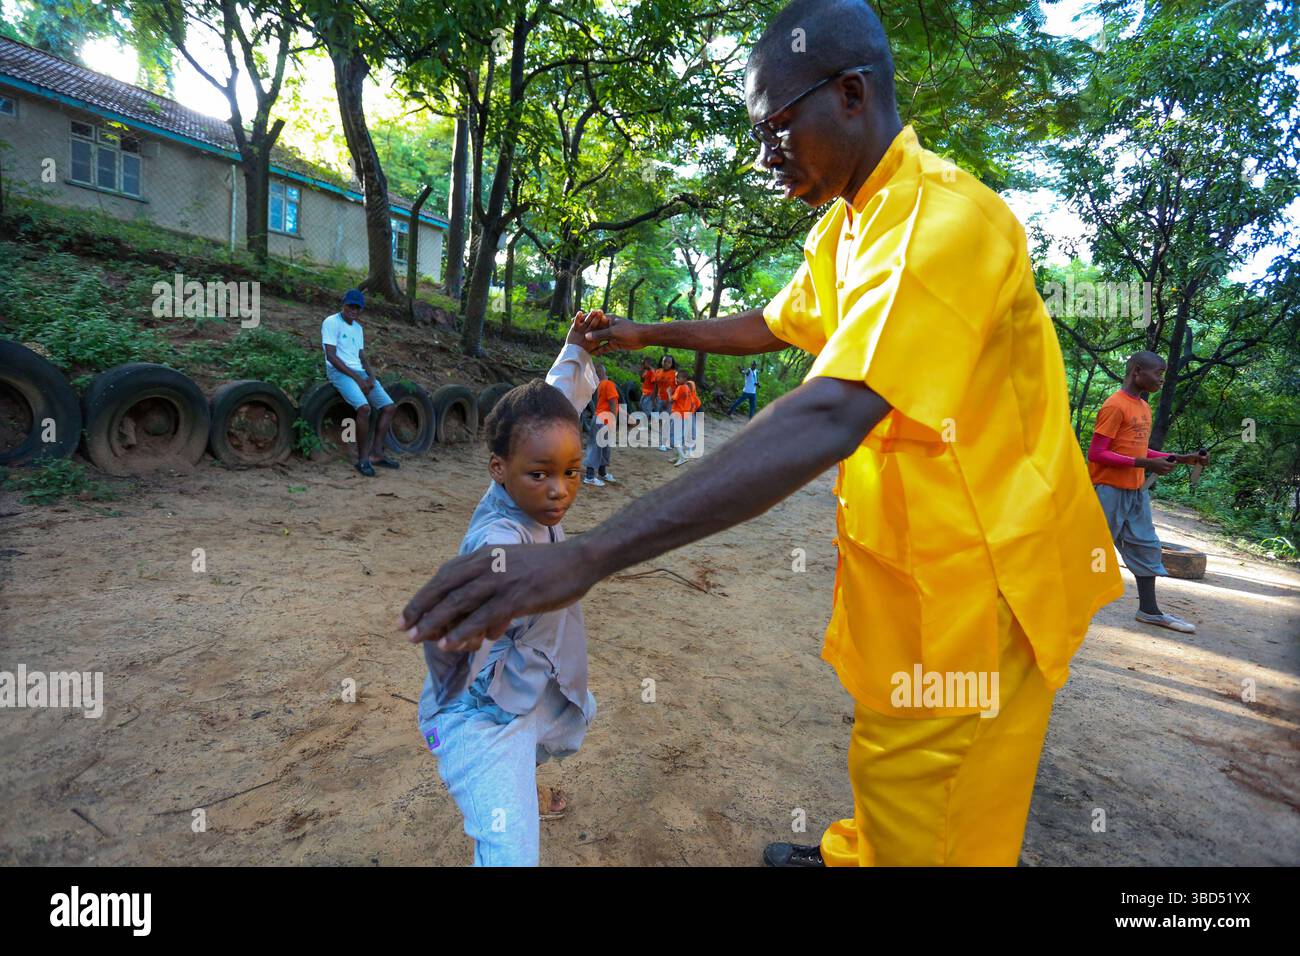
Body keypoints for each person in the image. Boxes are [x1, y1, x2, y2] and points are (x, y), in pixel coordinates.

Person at [399, 0, 1123, 868]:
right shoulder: (851, 226)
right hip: (911, 571)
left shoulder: (944, 225)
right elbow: (778, 323)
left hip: (984, 582)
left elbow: (831, 410)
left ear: (850, 93)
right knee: (888, 753)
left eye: (777, 128)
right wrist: (644, 334)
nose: (764, 156)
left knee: (942, 803)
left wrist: (583, 556)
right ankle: (858, 853)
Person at [414, 312, 605, 866]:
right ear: (499, 468)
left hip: (528, 691)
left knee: (572, 711)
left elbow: (550, 404)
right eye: (540, 474)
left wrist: (574, 350)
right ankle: (501, 781)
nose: (558, 491)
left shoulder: (524, 462)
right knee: (511, 856)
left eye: (572, 472)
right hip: (474, 720)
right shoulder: (498, 535)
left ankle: (522, 775)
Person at [1088, 351, 1209, 633]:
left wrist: (1181, 458)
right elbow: (1097, 453)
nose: (1161, 379)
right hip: (1108, 491)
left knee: (1145, 546)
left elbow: (1137, 450)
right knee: (1087, 550)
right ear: (1138, 371)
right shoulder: (1115, 405)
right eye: (1158, 373)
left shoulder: (1142, 406)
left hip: (1135, 491)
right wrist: (1145, 463)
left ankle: (1149, 611)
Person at [321, 289, 400, 477]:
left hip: (359, 371)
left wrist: (371, 377)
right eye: (350, 305)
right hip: (339, 371)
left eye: (357, 307)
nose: (353, 310)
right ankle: (362, 459)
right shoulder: (331, 322)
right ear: (343, 304)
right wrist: (357, 379)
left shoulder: (358, 328)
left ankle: (377, 453)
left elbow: (362, 356)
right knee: (364, 408)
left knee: (389, 407)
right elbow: (331, 356)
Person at [584, 363, 621, 487]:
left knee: (604, 447)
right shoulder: (608, 384)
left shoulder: (601, 385)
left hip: (601, 418)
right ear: (604, 372)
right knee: (596, 447)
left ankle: (602, 472)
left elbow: (612, 402)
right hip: (603, 419)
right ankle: (589, 476)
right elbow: (612, 402)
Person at [654, 355, 678, 452]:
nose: (666, 364)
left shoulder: (674, 374)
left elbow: (677, 389)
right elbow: (656, 386)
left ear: (672, 364)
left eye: (668, 362)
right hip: (659, 399)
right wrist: (653, 399)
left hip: (670, 401)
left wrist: (670, 401)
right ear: (661, 362)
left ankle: (664, 444)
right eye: (664, 361)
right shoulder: (658, 372)